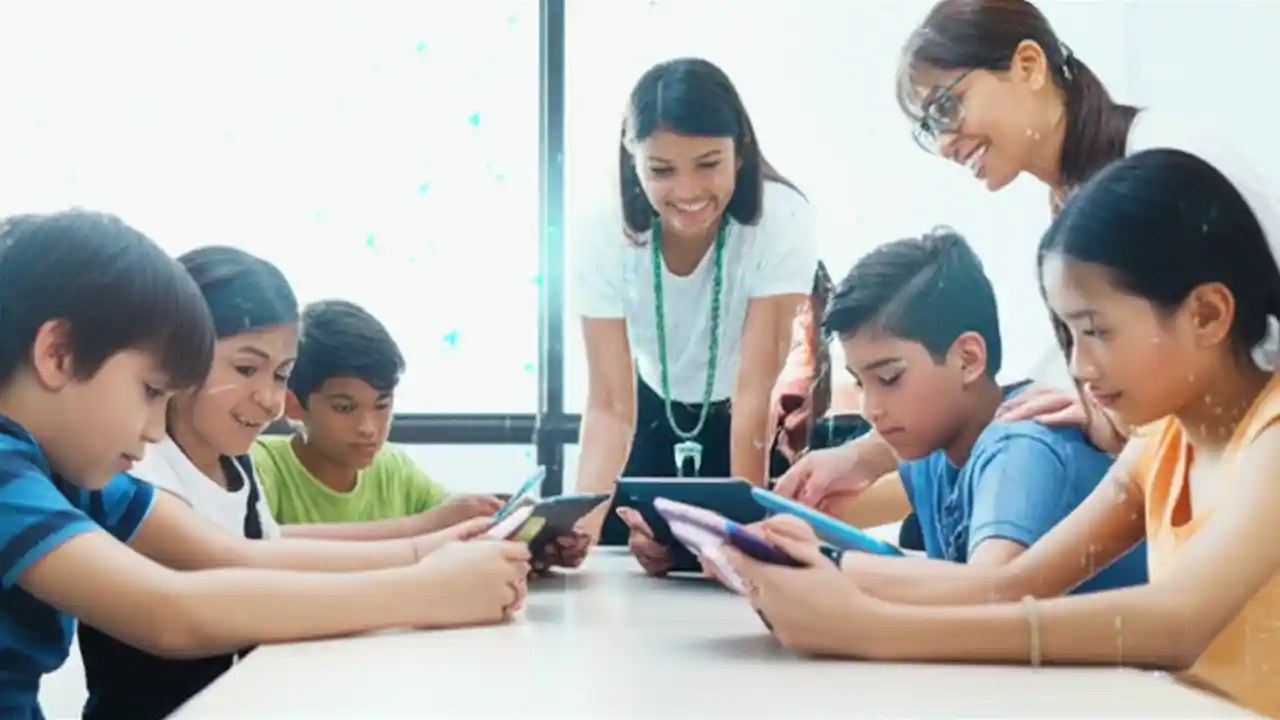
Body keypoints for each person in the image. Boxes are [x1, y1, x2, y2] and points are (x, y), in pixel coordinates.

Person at [725, 149, 1280, 718]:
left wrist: (872, 629)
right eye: (1069, 335)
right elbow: (1015, 584)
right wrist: (813, 565)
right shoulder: (1158, 441)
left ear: (1207, 314)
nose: (1080, 367)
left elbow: (1176, 622)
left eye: (1096, 331)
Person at [776, 0, 1280, 509]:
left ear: (1029, 66)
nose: (946, 143)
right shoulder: (1073, 206)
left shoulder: (1164, 162)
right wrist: (860, 462)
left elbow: (1252, 346)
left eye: (947, 107)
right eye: (929, 128)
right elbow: (1037, 396)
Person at [75, 245, 525, 720]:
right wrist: (424, 577)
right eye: (246, 369)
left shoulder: (235, 466)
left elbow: (275, 548)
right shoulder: (136, 466)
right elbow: (239, 561)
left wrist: (435, 544)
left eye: (281, 375)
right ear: (180, 356)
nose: (270, 400)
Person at [735, 229, 1146, 596]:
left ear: (968, 359)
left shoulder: (1020, 448)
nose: (870, 409)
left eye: (890, 378)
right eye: (861, 383)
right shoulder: (931, 449)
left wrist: (836, 570)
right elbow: (834, 513)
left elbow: (987, 592)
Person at [550, 57, 818, 574]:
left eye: (708, 163)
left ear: (740, 150)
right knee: (630, 557)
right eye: (661, 170)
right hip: (648, 410)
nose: (689, 191)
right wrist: (579, 526)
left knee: (743, 560)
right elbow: (610, 405)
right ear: (632, 159)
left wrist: (745, 540)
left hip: (743, 421)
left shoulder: (782, 217)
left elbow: (753, 392)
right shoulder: (600, 227)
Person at [253, 299, 501, 537]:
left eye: (382, 405)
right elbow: (261, 542)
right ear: (293, 405)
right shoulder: (261, 467)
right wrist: (426, 525)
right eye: (344, 408)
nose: (368, 428)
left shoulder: (393, 468)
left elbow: (447, 512)